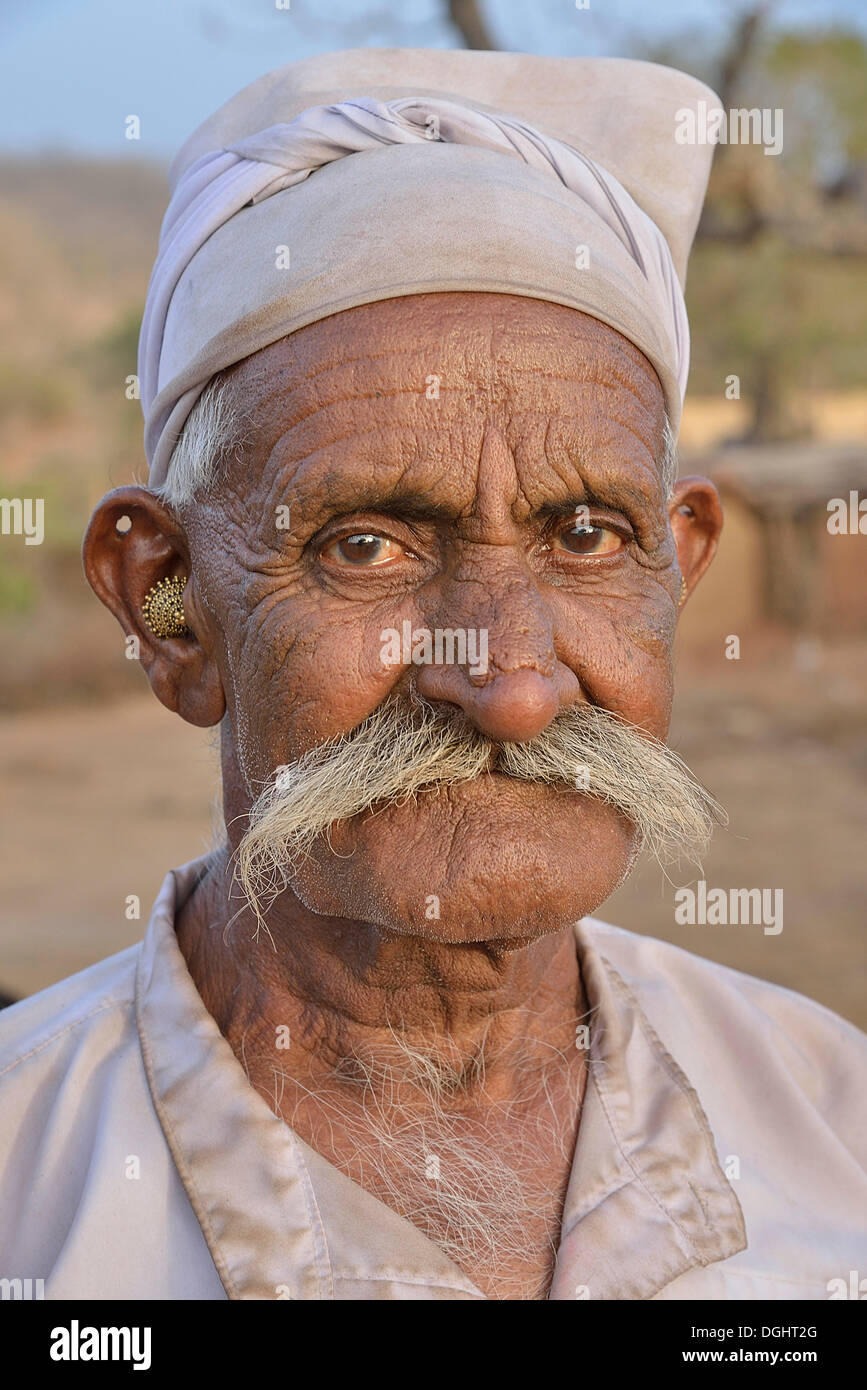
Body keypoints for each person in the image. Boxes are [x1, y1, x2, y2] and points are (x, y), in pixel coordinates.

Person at [1, 49, 864, 1302]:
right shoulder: (33, 1201)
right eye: (366, 547)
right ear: (171, 609)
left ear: (678, 568)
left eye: (585, 536)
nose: (514, 689)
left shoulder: (832, 1126)